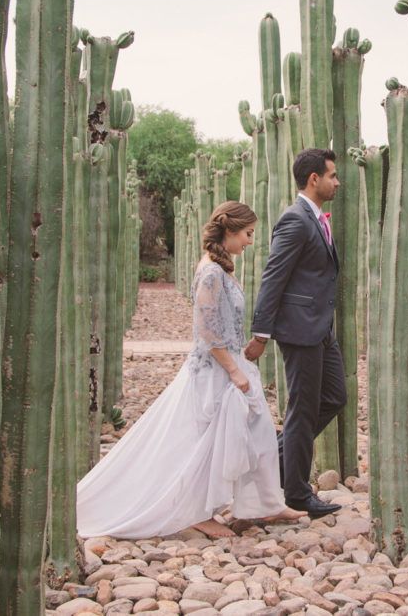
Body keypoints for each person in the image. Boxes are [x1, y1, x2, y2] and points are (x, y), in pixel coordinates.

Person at [77, 201, 306, 539]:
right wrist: (233, 370)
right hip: (215, 370)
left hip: (231, 362)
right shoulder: (212, 272)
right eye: (247, 233)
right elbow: (206, 328)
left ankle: (266, 503)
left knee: (257, 432)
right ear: (229, 230)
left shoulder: (223, 267)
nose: (249, 241)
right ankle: (198, 513)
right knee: (204, 442)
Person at [244, 148, 347, 519]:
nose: (338, 181)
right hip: (300, 329)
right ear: (314, 179)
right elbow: (275, 275)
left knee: (335, 397)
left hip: (321, 327)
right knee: (302, 410)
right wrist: (261, 333)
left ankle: (273, 459)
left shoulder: (316, 218)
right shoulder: (295, 219)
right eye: (332, 175)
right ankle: (297, 493)